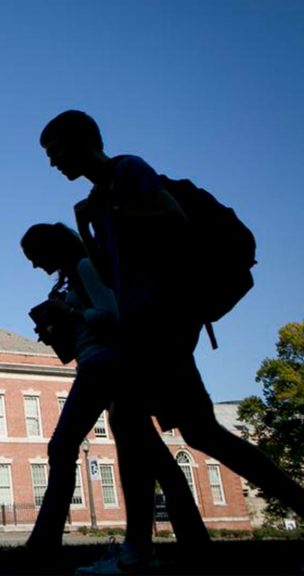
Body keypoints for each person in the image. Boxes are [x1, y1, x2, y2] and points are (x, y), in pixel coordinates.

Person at [40, 110, 304, 573]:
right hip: (142, 326)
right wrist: (87, 226)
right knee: (176, 430)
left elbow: (173, 219)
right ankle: (138, 549)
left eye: (56, 151)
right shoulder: (98, 199)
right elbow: (112, 276)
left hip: (163, 321)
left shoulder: (128, 170)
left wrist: (112, 211)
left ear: (83, 142)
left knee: (152, 426)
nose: (53, 162)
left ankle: (137, 551)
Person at [20, 223, 209, 553]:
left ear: (52, 247)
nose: (35, 265)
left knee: (62, 446)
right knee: (154, 455)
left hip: (103, 366)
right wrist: (57, 330)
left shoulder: (85, 266)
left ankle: (43, 543)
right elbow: (86, 329)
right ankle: (195, 539)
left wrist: (69, 311)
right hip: (99, 365)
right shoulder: (74, 277)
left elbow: (112, 316)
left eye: (35, 255)